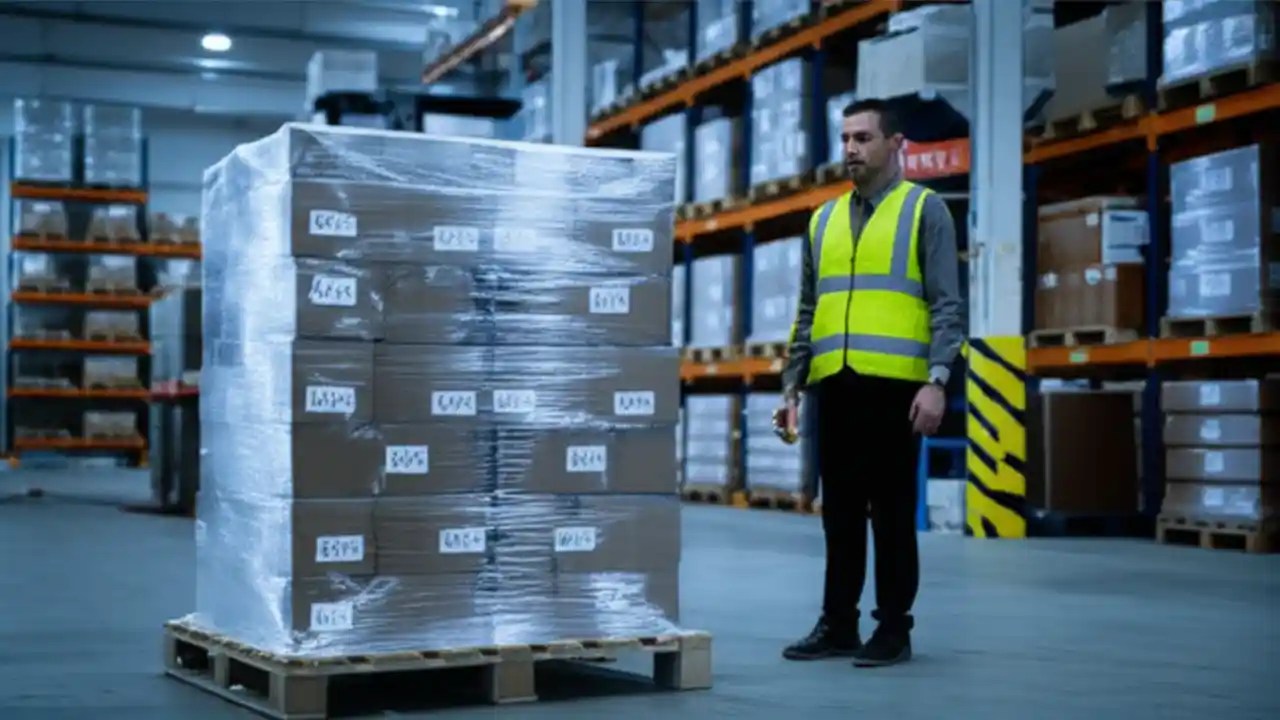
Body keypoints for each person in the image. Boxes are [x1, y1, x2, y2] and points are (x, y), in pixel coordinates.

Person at [774, 98, 965, 667]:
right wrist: (791, 386)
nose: (851, 149)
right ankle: (838, 624)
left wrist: (936, 381)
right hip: (835, 384)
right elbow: (808, 311)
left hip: (895, 389)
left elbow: (947, 306)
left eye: (863, 138)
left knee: (891, 514)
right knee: (839, 515)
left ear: (894, 143)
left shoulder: (924, 210)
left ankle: (894, 629)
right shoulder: (823, 220)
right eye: (846, 138)